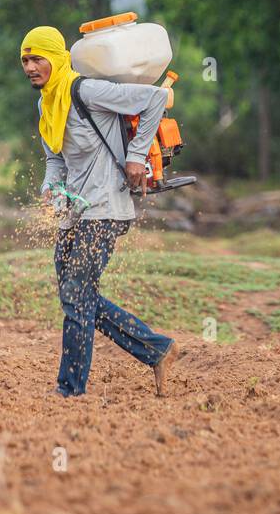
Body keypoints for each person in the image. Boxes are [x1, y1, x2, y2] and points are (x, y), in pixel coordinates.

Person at [20, 24, 177, 398]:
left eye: (37, 58)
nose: (29, 66)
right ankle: (156, 348)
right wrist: (49, 189)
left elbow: (155, 99)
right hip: (76, 210)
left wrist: (137, 156)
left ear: (57, 59)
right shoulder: (47, 103)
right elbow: (56, 160)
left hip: (106, 207)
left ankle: (70, 390)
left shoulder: (86, 90)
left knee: (76, 293)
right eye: (25, 59)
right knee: (75, 293)